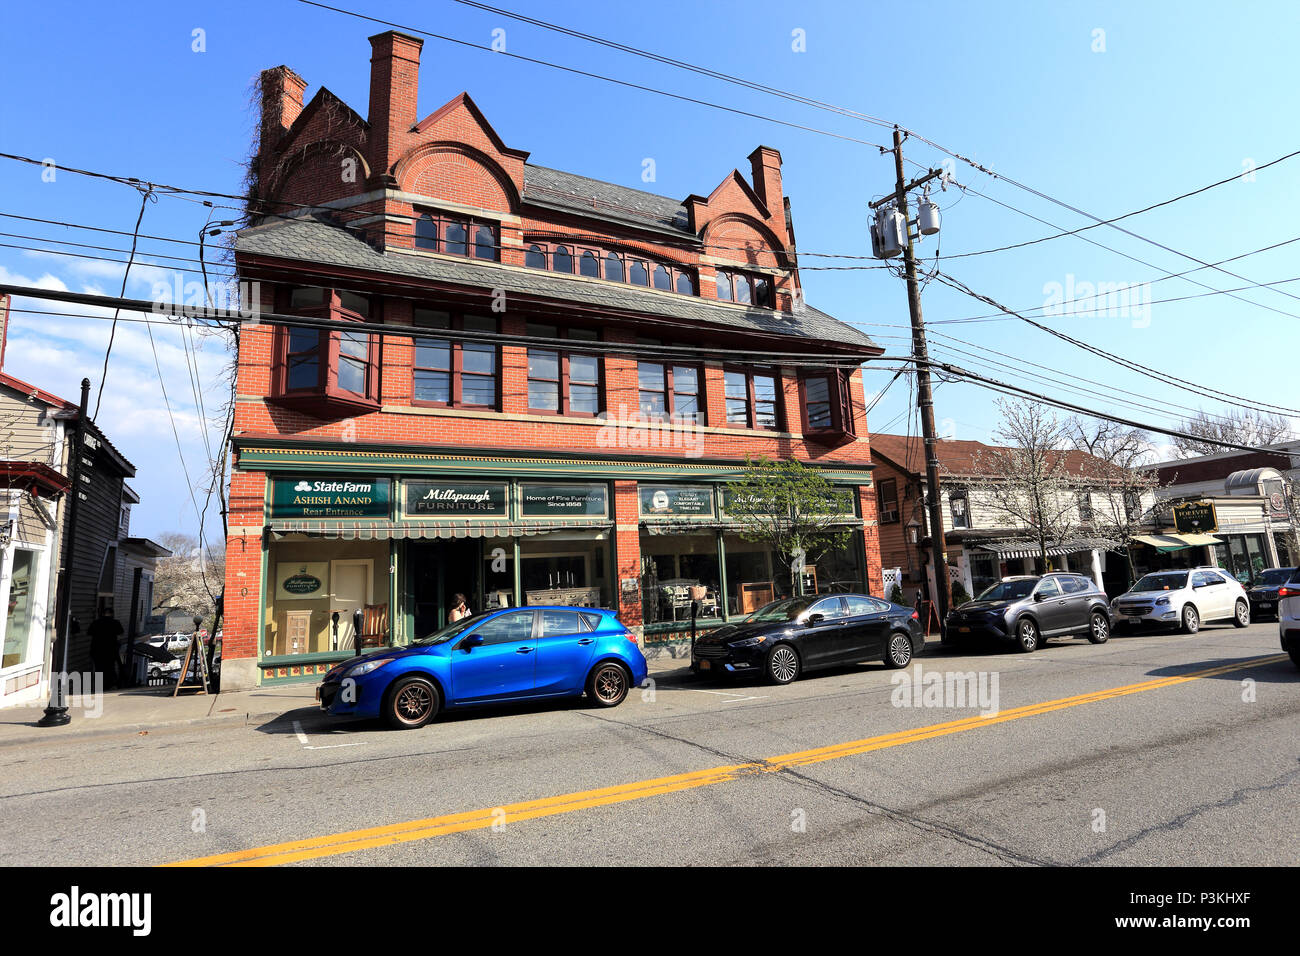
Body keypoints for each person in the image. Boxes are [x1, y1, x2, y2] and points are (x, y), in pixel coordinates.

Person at [88, 611, 125, 690]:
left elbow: (89, 632)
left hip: (97, 650)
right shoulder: (115, 623)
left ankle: (99, 686)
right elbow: (121, 632)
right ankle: (108, 685)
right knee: (109, 668)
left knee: (99, 668)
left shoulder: (96, 623)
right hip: (110, 650)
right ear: (112, 615)